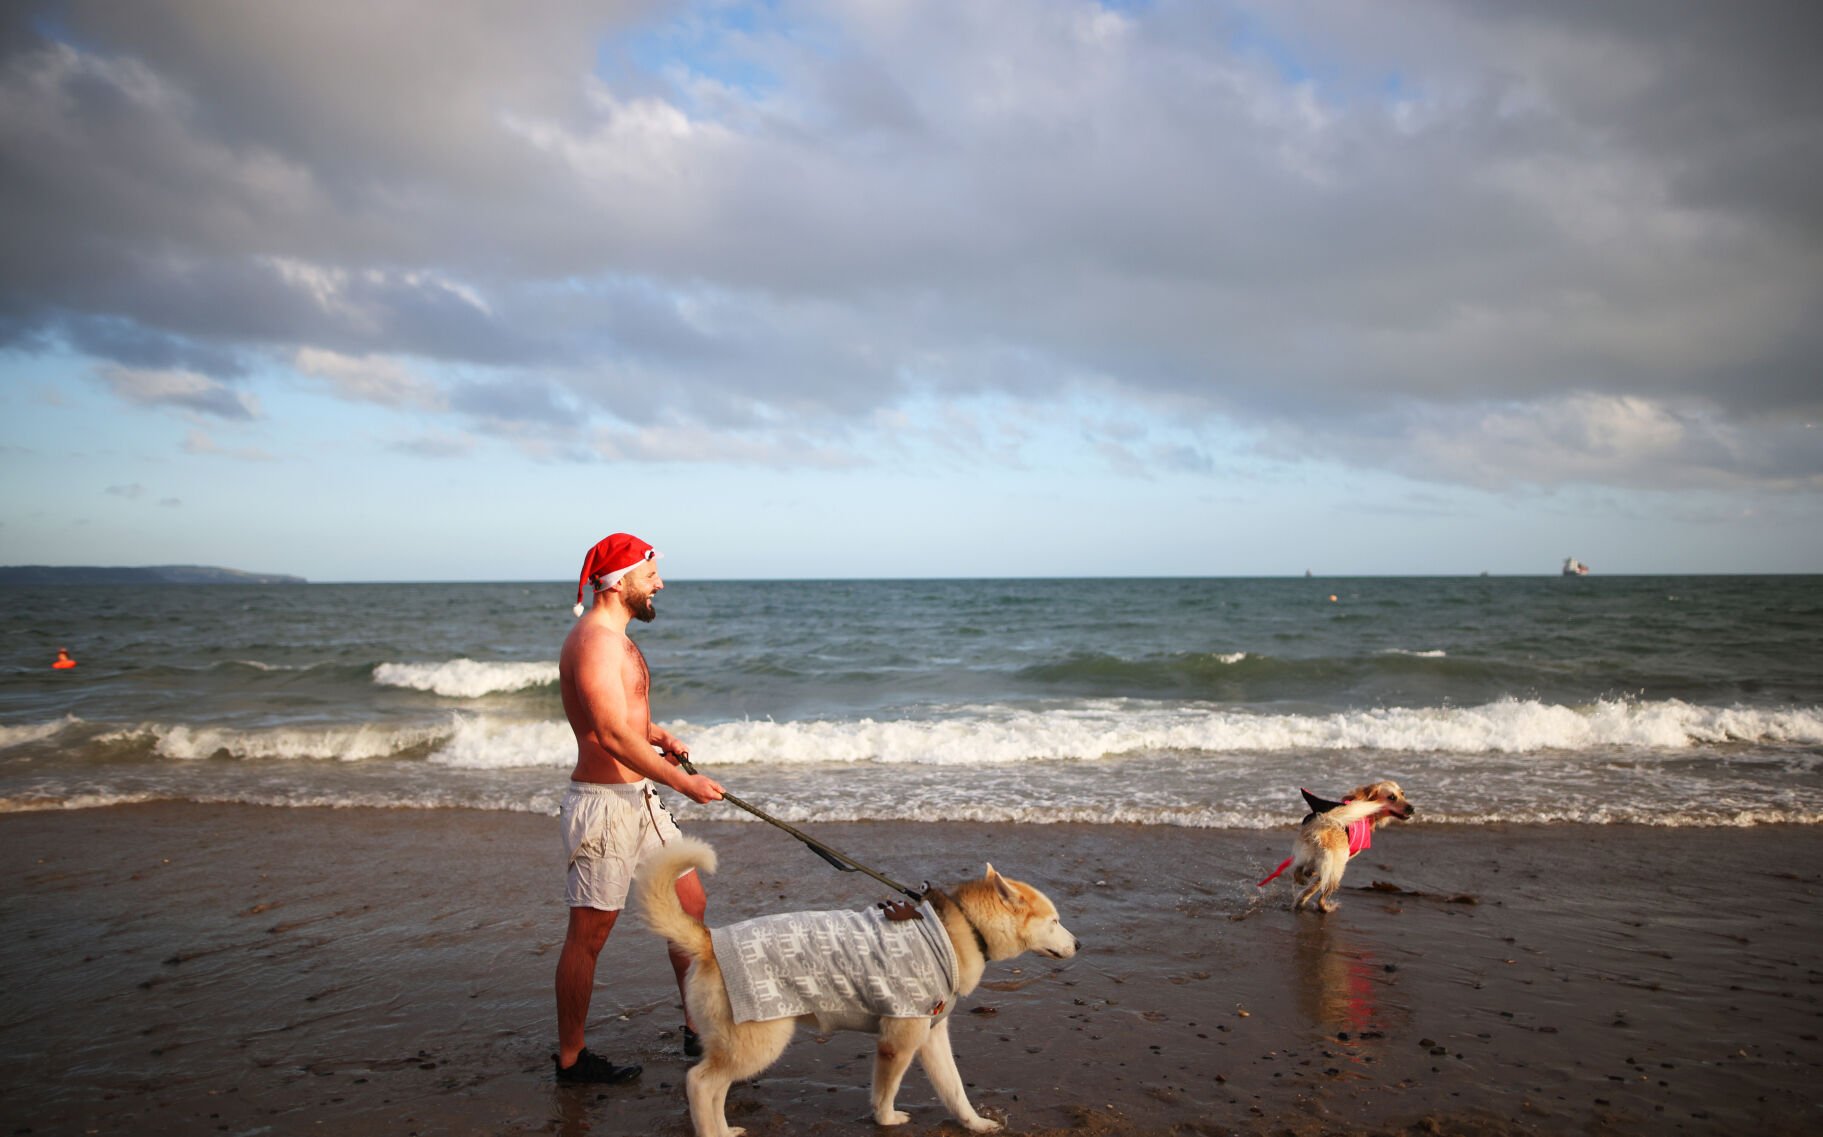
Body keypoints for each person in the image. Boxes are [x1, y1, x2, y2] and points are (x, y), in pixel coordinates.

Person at [553, 532, 725, 1084]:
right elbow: (605, 733)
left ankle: (697, 1033)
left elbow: (622, 719)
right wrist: (682, 782)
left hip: (641, 800)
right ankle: (572, 1060)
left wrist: (655, 732)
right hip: (604, 807)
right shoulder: (595, 641)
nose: (661, 584)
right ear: (619, 579)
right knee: (591, 933)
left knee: (689, 906)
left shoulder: (615, 639)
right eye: (652, 575)